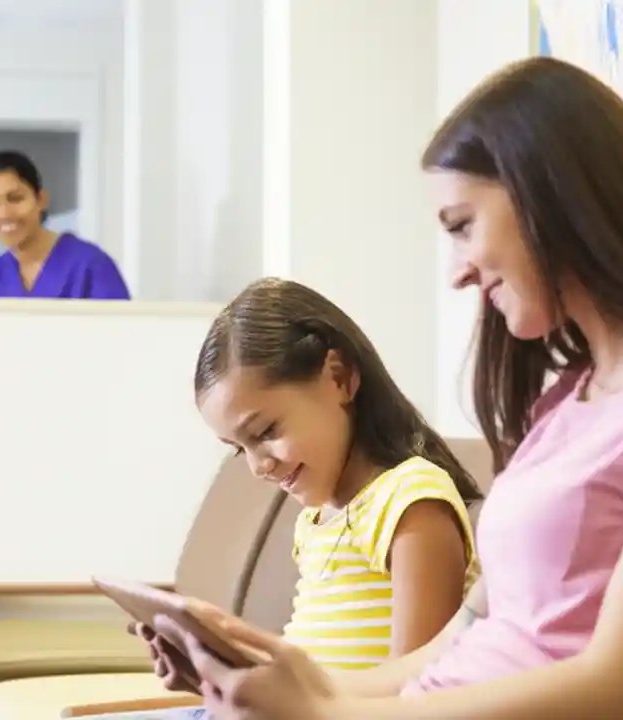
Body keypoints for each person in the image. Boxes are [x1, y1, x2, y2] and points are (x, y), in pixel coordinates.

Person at [144, 56, 623, 719]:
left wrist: (327, 715)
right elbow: (452, 650)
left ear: (551, 192)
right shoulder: (574, 396)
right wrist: (272, 673)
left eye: (461, 226)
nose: (455, 274)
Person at [126, 277, 484, 718]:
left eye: (266, 433)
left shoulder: (412, 501)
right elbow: (310, 666)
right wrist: (210, 675)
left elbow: (418, 690)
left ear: (339, 377)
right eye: (240, 449)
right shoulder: (317, 518)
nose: (259, 466)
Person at [0, 150, 130, 299]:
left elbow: (122, 329)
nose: (4, 213)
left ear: (41, 200)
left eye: (15, 198)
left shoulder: (90, 265)